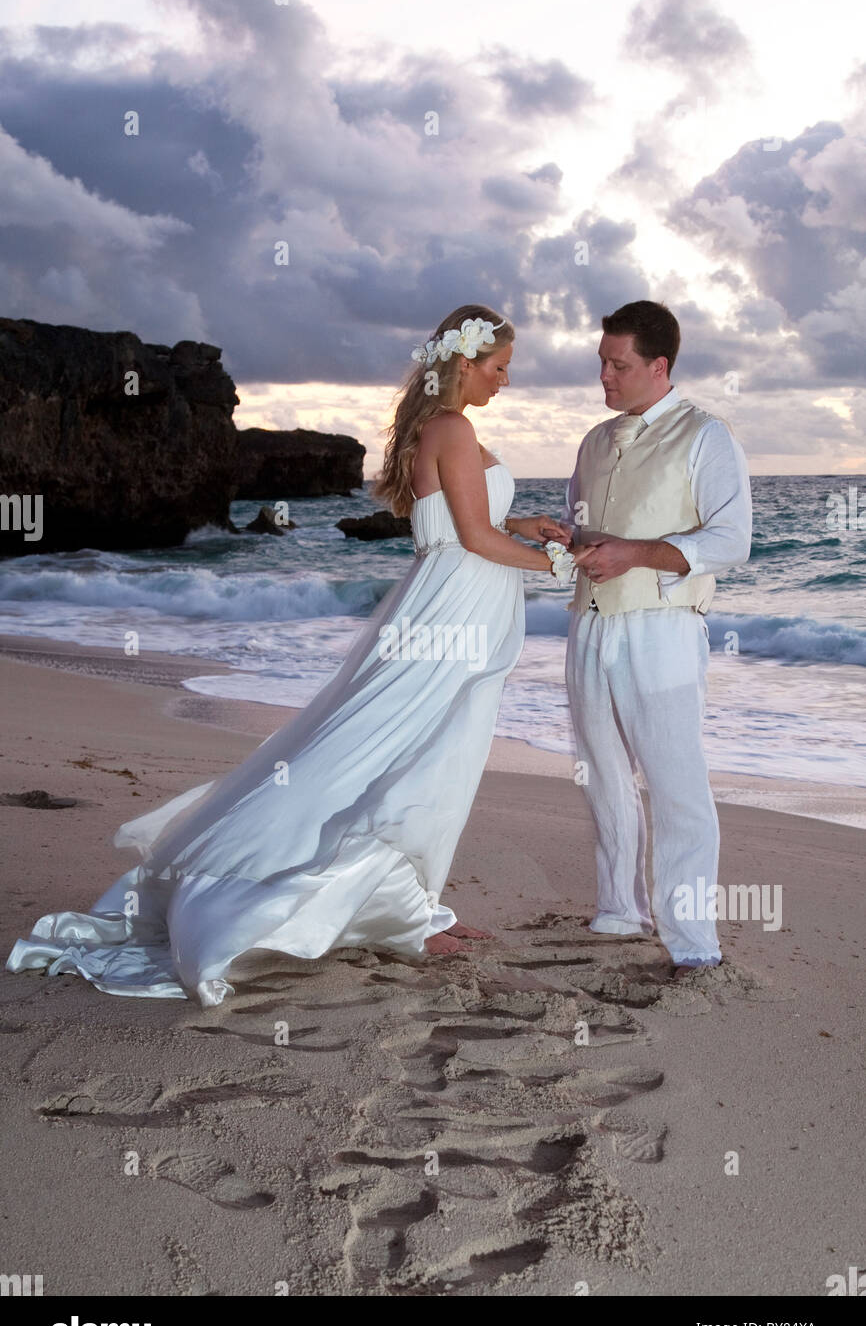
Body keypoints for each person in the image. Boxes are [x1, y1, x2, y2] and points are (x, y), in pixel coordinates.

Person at [7, 304, 574, 1007]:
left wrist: (523, 524)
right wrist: (559, 566)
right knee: (415, 753)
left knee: (405, 750)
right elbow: (474, 540)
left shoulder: (443, 428)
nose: (506, 381)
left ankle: (405, 908)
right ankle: (397, 915)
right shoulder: (452, 427)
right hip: (448, 615)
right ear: (465, 363)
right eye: (499, 367)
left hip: (447, 608)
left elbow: (465, 523)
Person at [547, 300, 752, 979]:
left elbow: (731, 541)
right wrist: (560, 539)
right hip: (590, 626)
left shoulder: (706, 436)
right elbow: (588, 532)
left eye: (619, 365)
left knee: (676, 786)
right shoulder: (594, 441)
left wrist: (634, 554)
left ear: (658, 367)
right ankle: (618, 909)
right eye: (602, 363)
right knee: (601, 773)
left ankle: (692, 940)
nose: (605, 377)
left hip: (663, 630)